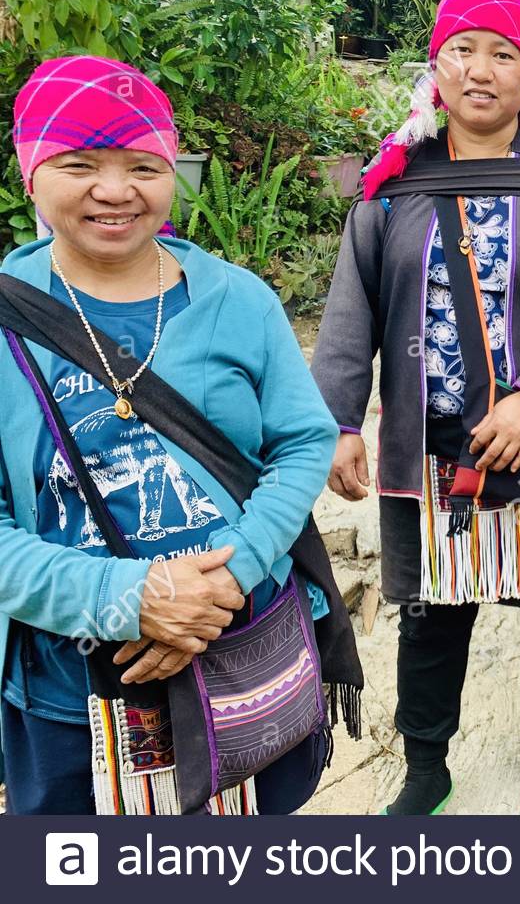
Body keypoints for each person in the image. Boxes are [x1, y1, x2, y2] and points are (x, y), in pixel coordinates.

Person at [0, 56, 360, 815]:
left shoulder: (239, 301)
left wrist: (231, 578)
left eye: (142, 164)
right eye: (78, 163)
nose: (115, 189)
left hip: (239, 658)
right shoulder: (8, 324)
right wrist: (126, 597)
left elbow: (301, 443)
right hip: (71, 693)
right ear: (31, 171)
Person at [312, 0, 520, 816]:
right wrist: (341, 421)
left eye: (504, 54)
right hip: (431, 449)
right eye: (463, 49)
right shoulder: (392, 193)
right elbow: (350, 316)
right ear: (436, 68)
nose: (481, 69)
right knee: (429, 615)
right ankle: (427, 768)